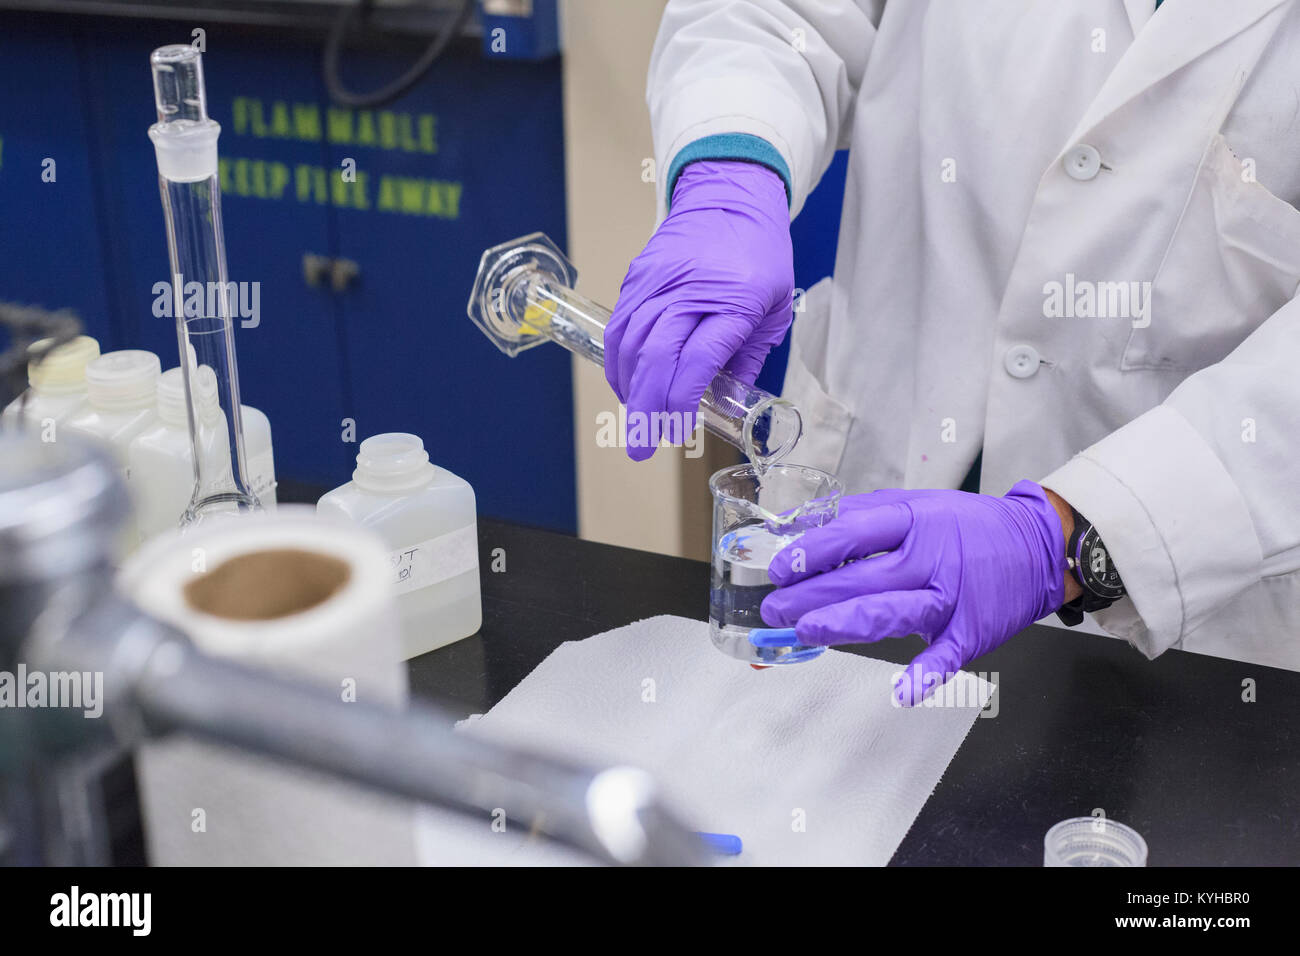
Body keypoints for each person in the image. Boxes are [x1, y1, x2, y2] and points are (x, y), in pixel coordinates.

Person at [606, 0, 1300, 702]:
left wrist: (1066, 538)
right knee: (830, 778)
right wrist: (731, 171)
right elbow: (779, 13)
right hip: (880, 490)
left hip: (1190, 614)